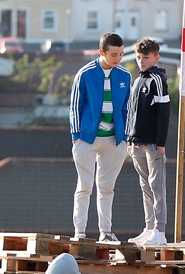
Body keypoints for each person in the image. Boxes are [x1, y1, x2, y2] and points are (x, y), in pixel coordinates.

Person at [68, 32, 132, 242]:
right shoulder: (85, 74)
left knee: (107, 188)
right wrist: (76, 136)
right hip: (87, 139)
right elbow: (75, 106)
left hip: (115, 140)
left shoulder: (125, 76)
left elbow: (126, 109)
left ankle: (105, 231)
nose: (118, 59)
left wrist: (125, 138)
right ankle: (80, 232)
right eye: (114, 54)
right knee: (85, 186)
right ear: (101, 52)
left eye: (121, 54)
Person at [125, 37, 170, 246]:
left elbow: (164, 112)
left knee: (156, 186)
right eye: (139, 57)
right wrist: (129, 137)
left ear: (156, 57)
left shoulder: (157, 80)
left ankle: (160, 231)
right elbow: (132, 112)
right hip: (136, 142)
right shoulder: (137, 80)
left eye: (145, 57)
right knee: (145, 186)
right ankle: (149, 227)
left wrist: (161, 142)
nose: (141, 61)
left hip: (152, 143)